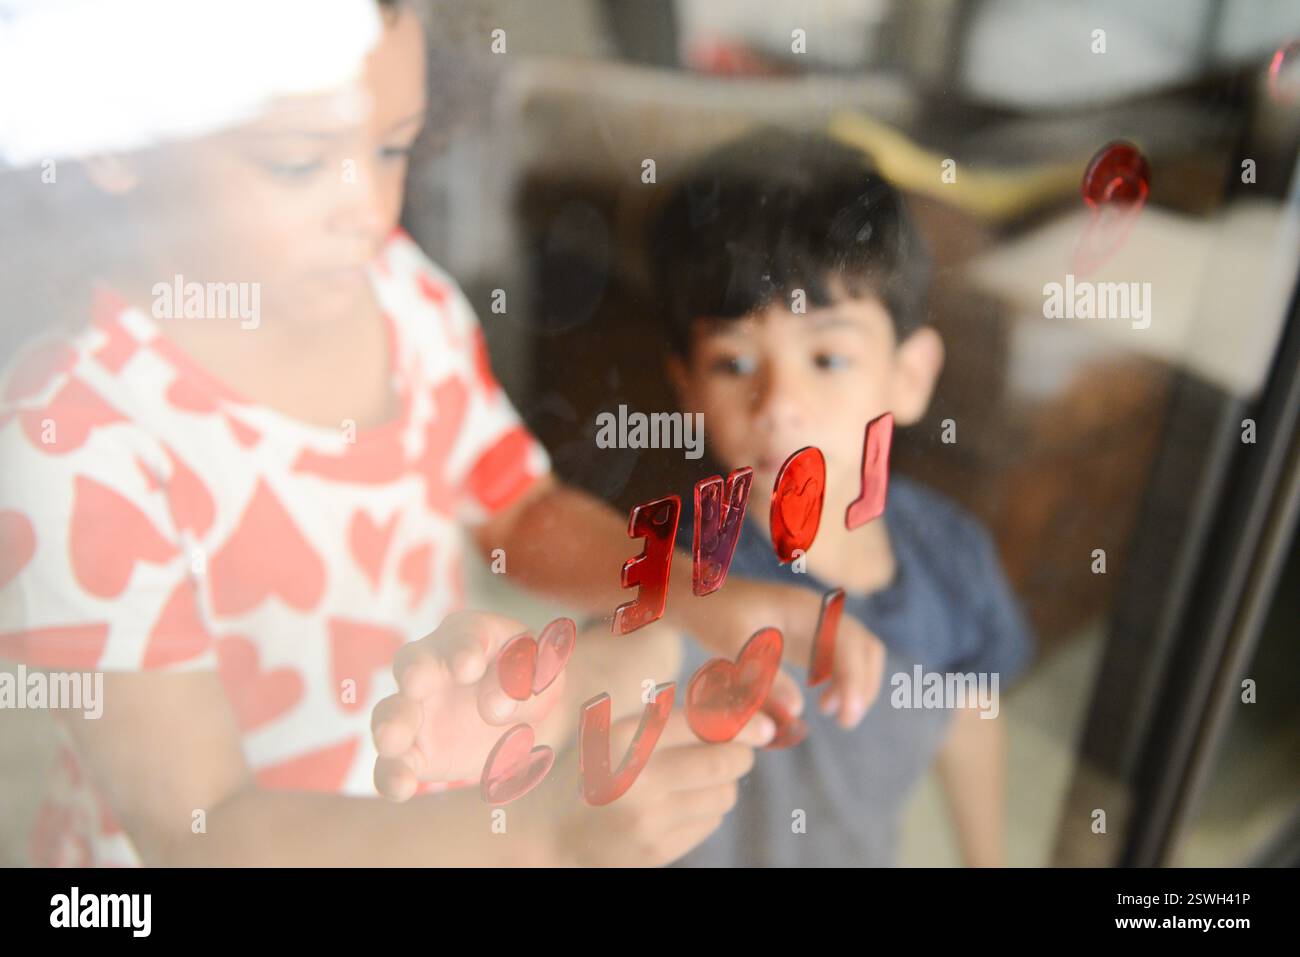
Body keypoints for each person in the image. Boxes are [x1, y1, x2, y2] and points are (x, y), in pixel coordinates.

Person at [0, 1, 883, 866]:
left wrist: (692, 590)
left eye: (390, 149)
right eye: (298, 164)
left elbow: (517, 511)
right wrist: (543, 833)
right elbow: (198, 831)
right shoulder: (74, 439)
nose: (368, 209)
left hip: (422, 821)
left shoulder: (398, 293)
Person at [647, 128, 1035, 866]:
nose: (780, 403)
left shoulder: (951, 559)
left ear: (909, 377)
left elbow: (969, 718)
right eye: (734, 361)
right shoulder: (674, 573)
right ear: (688, 389)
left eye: (827, 355)